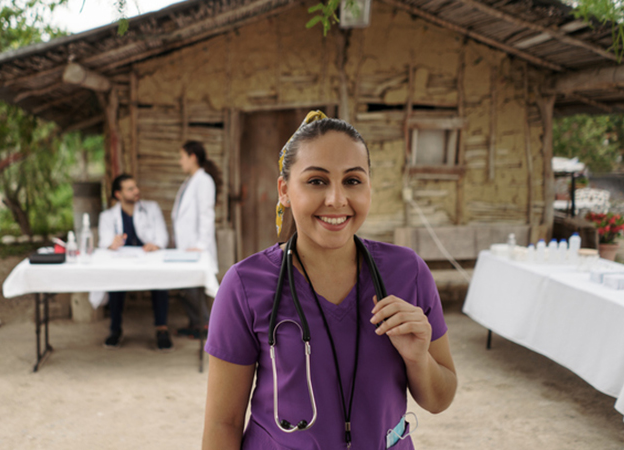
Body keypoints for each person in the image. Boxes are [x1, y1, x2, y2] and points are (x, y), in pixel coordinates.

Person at [202, 112, 457, 449]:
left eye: (352, 180)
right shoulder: (245, 286)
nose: (336, 199)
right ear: (284, 190)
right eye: (316, 181)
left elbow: (440, 399)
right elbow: (224, 423)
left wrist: (418, 358)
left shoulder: (406, 273)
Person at [98, 173, 172, 351]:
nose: (136, 191)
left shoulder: (151, 208)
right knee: (115, 281)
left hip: (148, 260)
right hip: (123, 262)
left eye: (136, 187)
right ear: (118, 194)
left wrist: (156, 244)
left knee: (160, 278)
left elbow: (162, 236)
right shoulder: (108, 216)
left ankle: (161, 329)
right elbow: (104, 242)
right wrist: (111, 244)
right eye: (130, 189)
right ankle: (115, 329)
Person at [172, 140, 221, 339]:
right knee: (185, 287)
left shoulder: (204, 181)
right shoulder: (191, 181)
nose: (179, 161)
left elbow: (206, 215)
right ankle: (196, 324)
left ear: (193, 157)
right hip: (186, 246)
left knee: (193, 288)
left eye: (182, 157)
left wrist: (201, 245)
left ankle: (205, 325)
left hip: (196, 246)